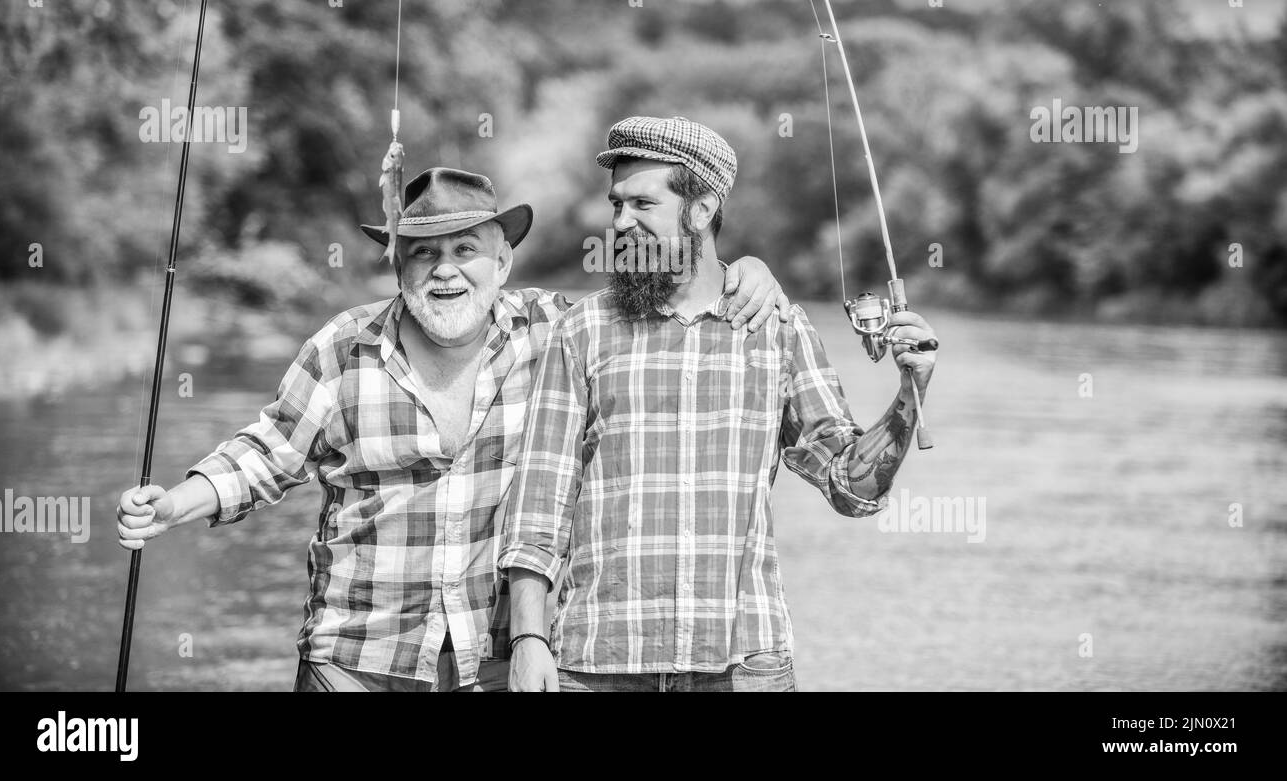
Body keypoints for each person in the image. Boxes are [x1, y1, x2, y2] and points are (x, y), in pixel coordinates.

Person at [115, 165, 789, 692]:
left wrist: (746, 272)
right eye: (422, 253)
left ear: (502, 264)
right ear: (398, 266)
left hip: (495, 661)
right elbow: (265, 453)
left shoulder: (556, 332)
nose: (444, 269)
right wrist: (175, 502)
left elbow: (669, 291)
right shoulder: (342, 347)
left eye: (466, 248)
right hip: (354, 658)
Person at [499, 116, 939, 692]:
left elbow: (852, 490)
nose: (620, 222)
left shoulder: (778, 328)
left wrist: (911, 393)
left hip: (743, 667)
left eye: (642, 205)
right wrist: (528, 642)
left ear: (702, 208)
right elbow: (539, 508)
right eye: (616, 205)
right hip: (597, 664)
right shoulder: (580, 331)